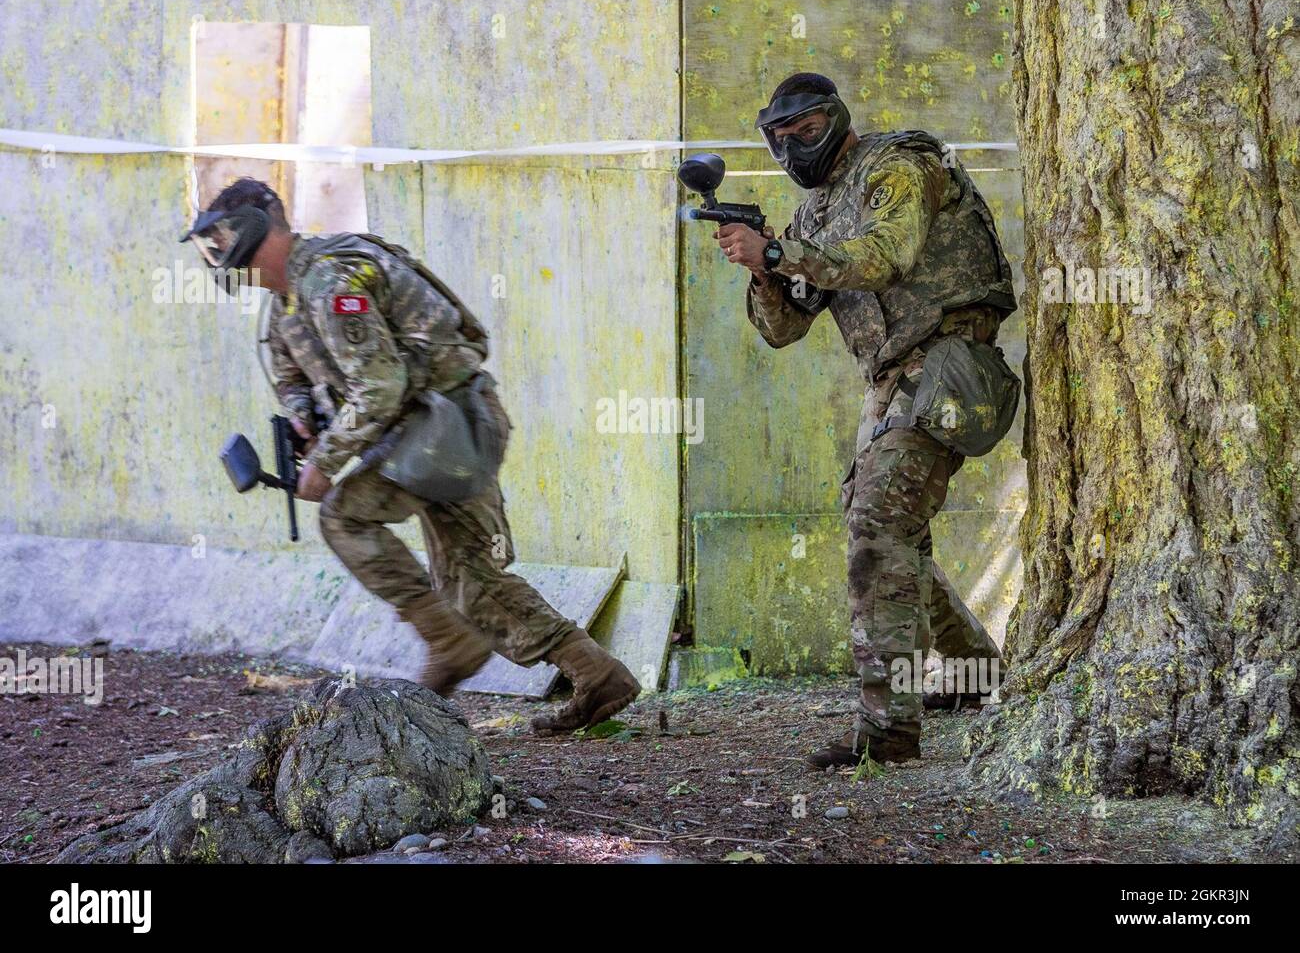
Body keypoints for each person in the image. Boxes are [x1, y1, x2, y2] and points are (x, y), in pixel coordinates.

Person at [182, 178, 639, 734]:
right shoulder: (288, 302)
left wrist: (325, 462)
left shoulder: (328, 279)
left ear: (256, 228)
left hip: (447, 427)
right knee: (469, 577)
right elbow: (293, 371)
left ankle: (450, 644)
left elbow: (379, 383)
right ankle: (595, 674)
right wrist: (305, 420)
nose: (219, 251)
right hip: (421, 433)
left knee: (345, 516)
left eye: (224, 235)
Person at [714, 73, 1015, 768]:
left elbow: (887, 257)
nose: (795, 149)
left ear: (837, 118)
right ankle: (976, 670)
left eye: (807, 131)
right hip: (893, 384)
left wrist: (779, 253)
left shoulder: (897, 165)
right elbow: (784, 328)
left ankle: (889, 731)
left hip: (950, 364)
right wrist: (762, 269)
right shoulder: (813, 217)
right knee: (886, 531)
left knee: (879, 531)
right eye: (780, 139)